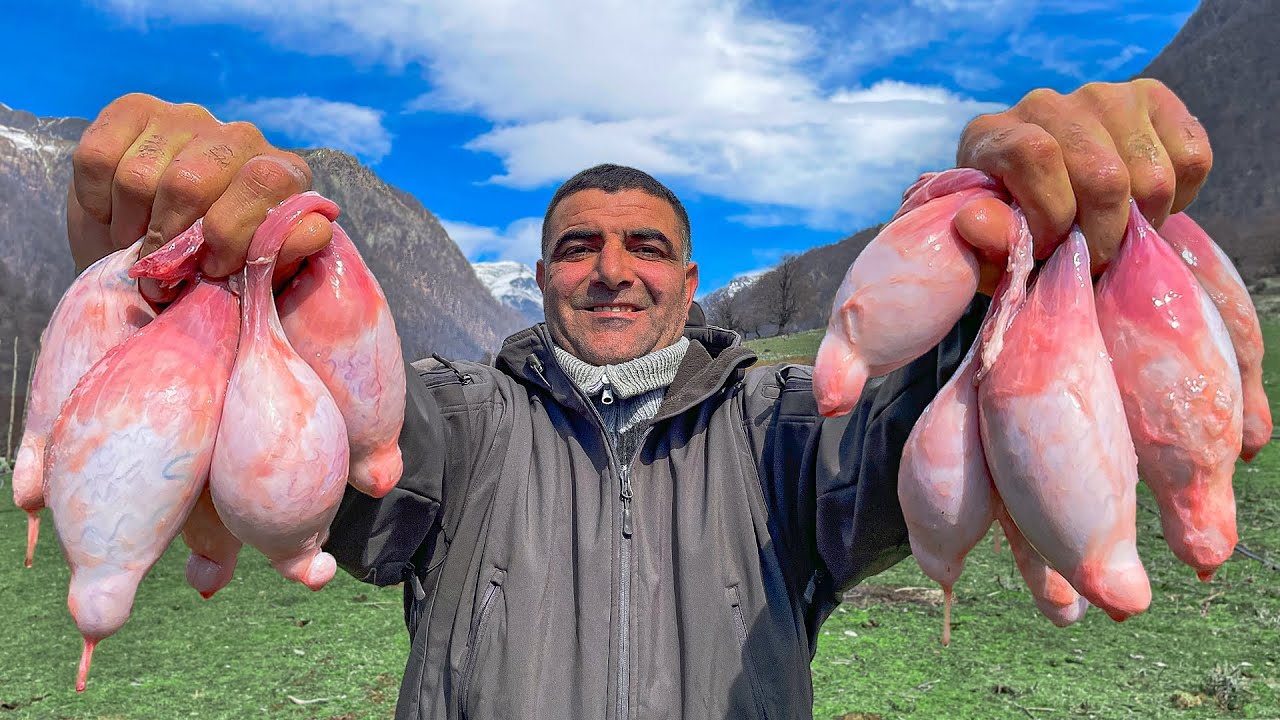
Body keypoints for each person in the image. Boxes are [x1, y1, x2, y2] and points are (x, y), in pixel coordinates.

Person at [67, 79, 1211, 719]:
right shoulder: (462, 421)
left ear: (689, 278)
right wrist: (168, 293)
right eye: (577, 247)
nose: (612, 268)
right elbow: (345, 453)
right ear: (542, 271)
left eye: (645, 247)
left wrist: (1019, 254)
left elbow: (925, 421)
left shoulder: (784, 431)